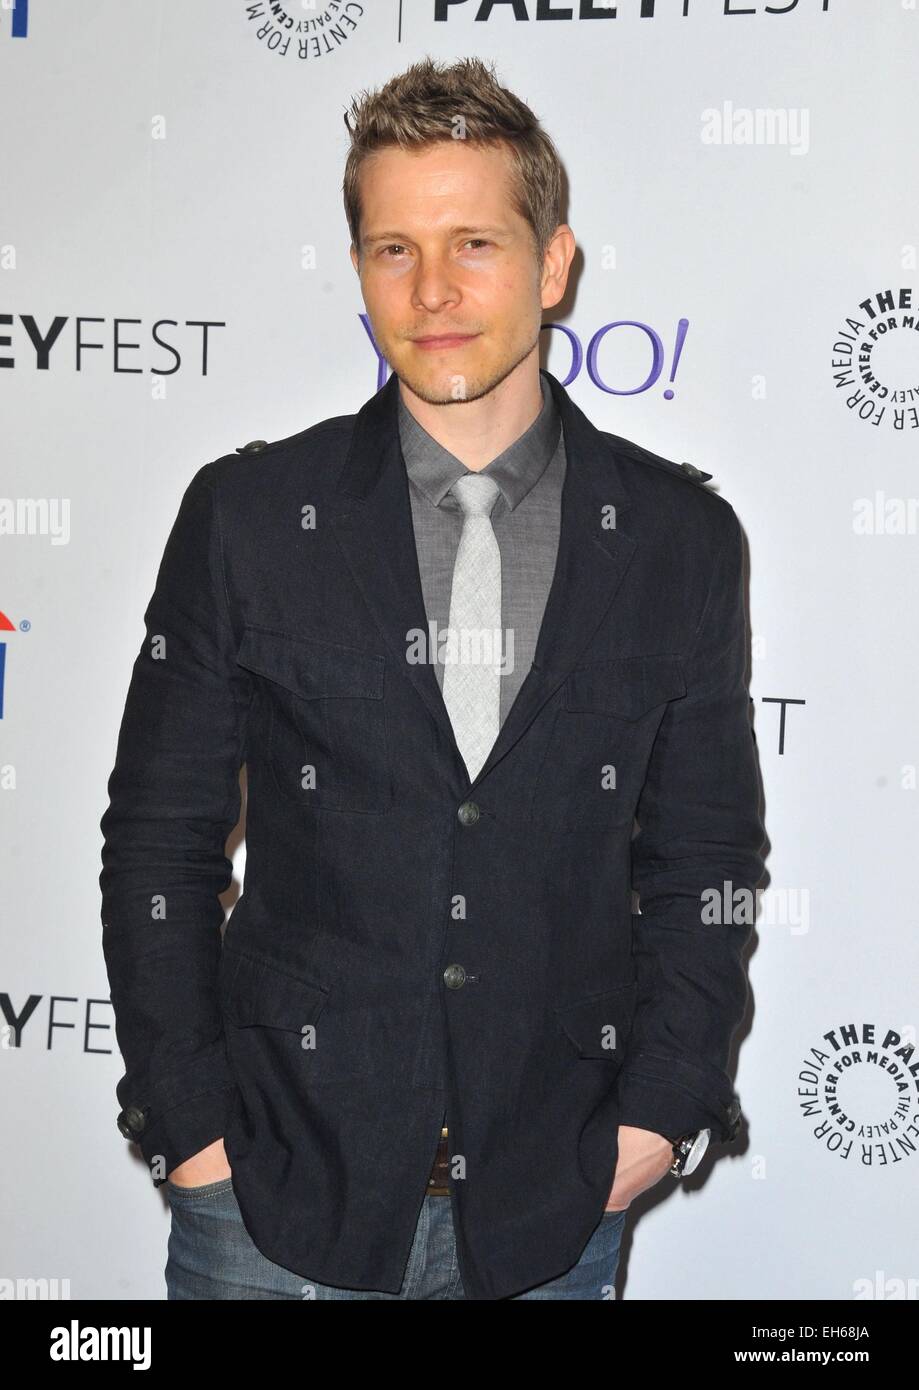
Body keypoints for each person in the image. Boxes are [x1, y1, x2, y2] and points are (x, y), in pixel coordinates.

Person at [100, 55, 766, 1301]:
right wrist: (192, 1129)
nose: (434, 290)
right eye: (393, 249)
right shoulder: (249, 517)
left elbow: (706, 862)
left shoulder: (677, 541)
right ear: (357, 270)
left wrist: (655, 1120)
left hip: (553, 1209)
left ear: (553, 263)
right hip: (273, 1206)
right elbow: (157, 842)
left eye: (474, 242)